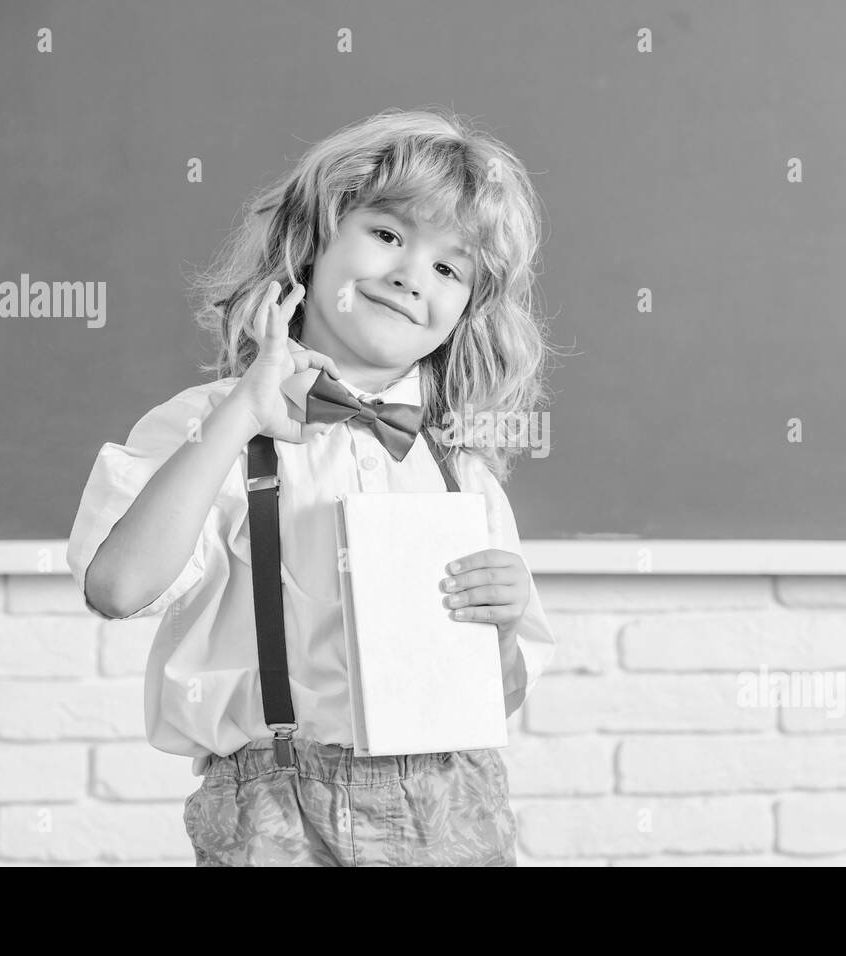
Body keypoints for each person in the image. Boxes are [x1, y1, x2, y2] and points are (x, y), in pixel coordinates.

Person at [66, 107, 561, 866]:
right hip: (275, 815)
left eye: (448, 267)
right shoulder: (206, 427)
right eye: (389, 234)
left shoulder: (459, 470)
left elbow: (498, 695)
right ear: (314, 240)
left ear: (467, 311)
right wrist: (240, 414)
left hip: (455, 807)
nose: (408, 274)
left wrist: (506, 614)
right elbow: (118, 586)